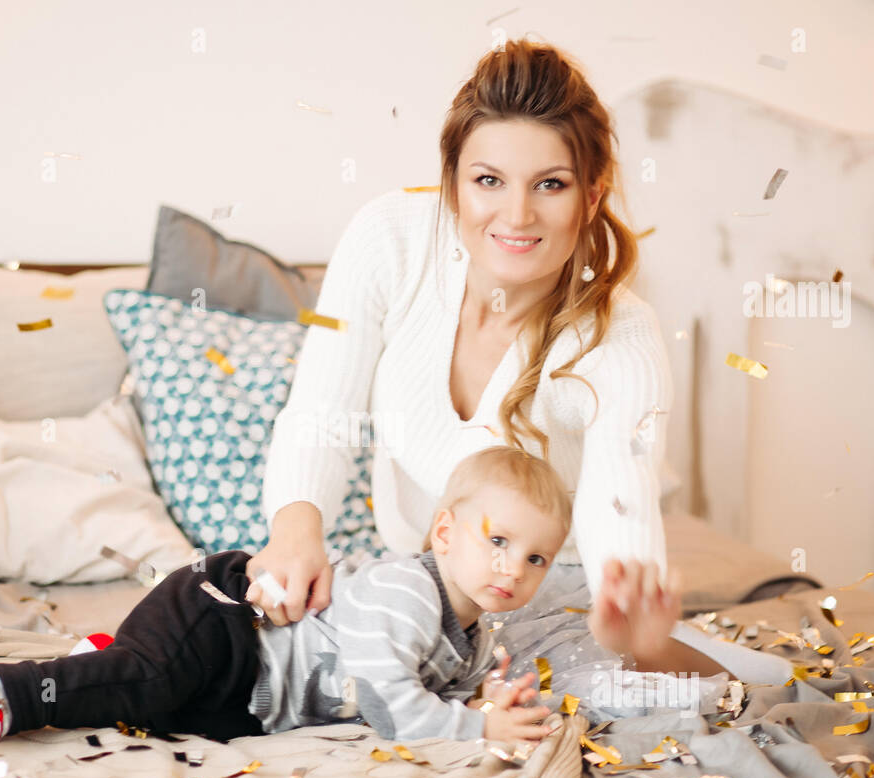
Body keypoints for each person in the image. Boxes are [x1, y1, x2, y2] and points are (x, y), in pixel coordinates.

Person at [248, 39, 678, 642]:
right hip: (415, 583)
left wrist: (625, 593)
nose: (517, 215)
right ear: (453, 185)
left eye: (551, 184)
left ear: (592, 196)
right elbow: (322, 412)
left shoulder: (621, 337)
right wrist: (295, 531)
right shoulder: (388, 242)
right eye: (489, 180)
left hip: (558, 598)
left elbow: (620, 496)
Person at [0, 446, 705, 753]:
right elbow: (392, 701)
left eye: (536, 558)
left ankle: (104, 661)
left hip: (253, 696)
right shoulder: (407, 591)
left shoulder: (476, 629)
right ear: (444, 532)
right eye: (498, 541)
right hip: (230, 619)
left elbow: (449, 683)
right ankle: (10, 694)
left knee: (183, 721)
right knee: (160, 680)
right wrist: (477, 728)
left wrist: (493, 693)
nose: (514, 568)